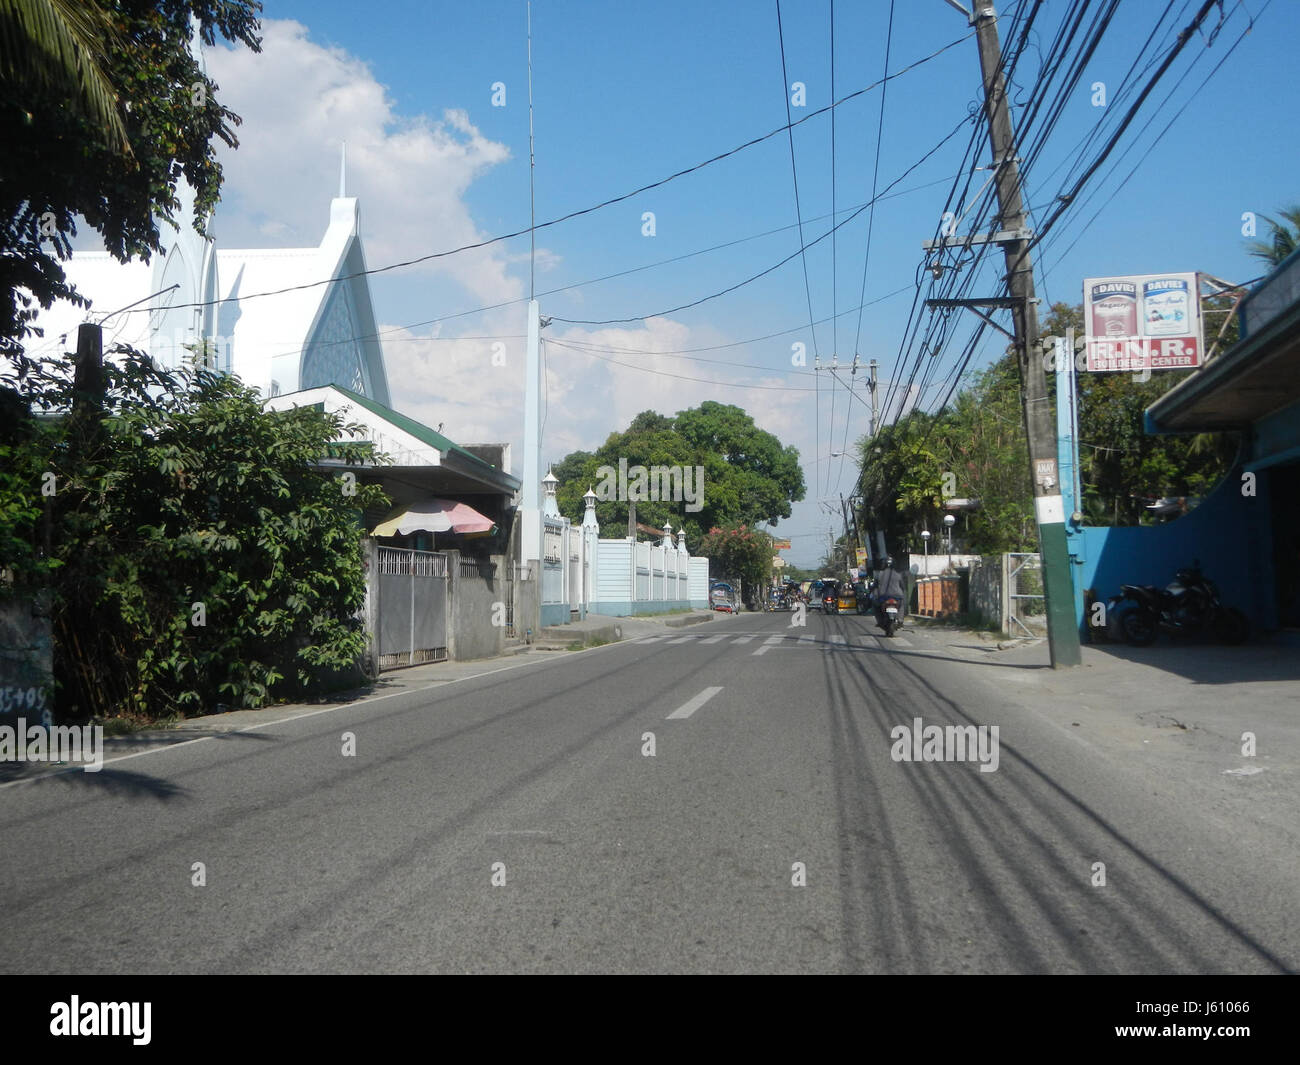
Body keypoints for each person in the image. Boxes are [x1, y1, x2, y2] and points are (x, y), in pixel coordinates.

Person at [873, 555, 907, 629]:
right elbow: (903, 587)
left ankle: (879, 621)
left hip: (883, 597)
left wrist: (875, 595)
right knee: (901, 606)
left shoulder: (879, 574)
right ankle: (900, 620)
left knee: (876, 606)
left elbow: (875, 587)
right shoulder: (898, 574)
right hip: (897, 596)